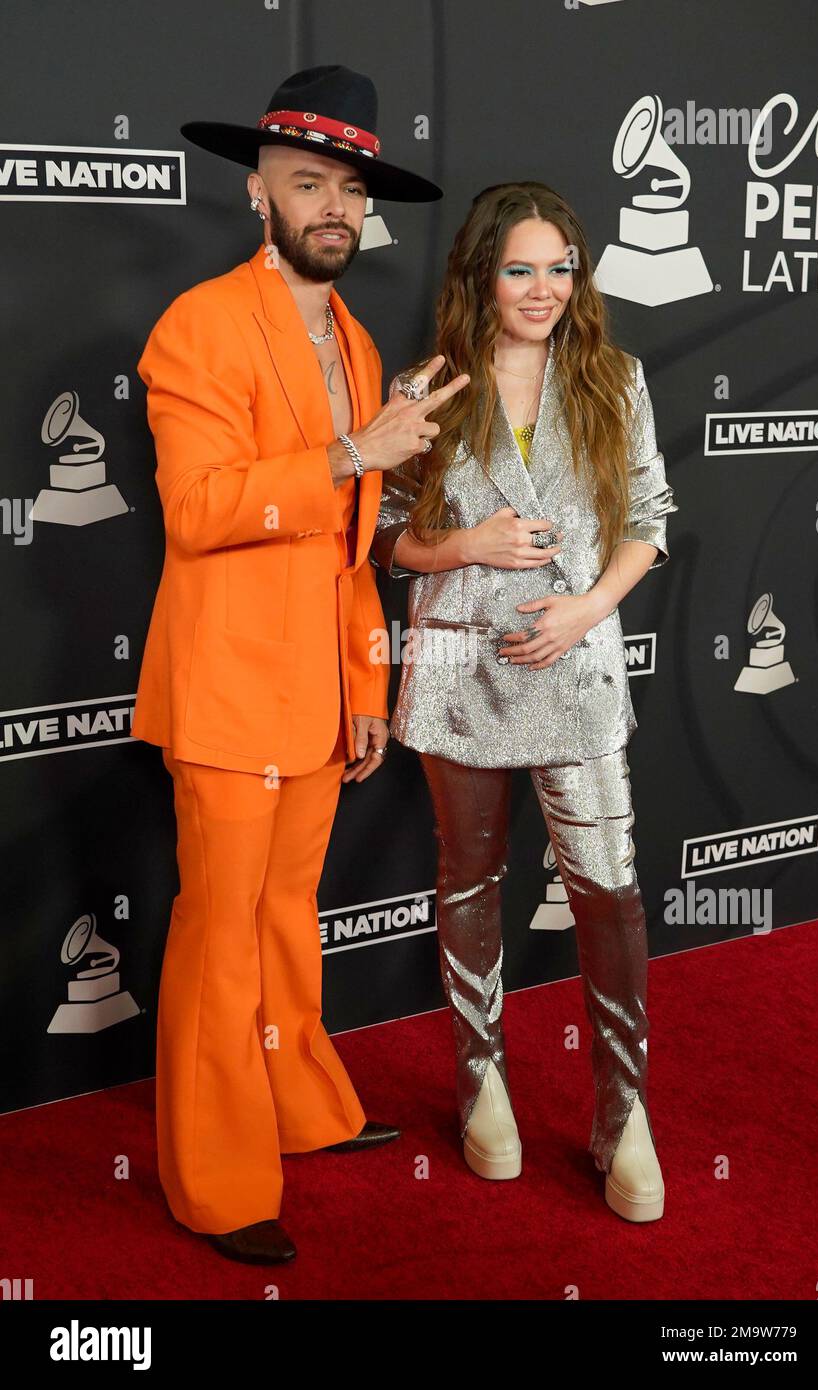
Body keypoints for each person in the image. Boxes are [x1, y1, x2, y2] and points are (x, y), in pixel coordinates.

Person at [132, 64, 469, 1264]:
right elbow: (198, 508)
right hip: (227, 690)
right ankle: (217, 1182)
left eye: (348, 189)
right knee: (221, 933)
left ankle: (300, 1107)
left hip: (320, 696)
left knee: (284, 919)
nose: (333, 206)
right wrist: (344, 448)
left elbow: (349, 552)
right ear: (257, 193)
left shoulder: (364, 341)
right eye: (307, 182)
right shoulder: (200, 324)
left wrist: (364, 689)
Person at [369, 182, 678, 1223]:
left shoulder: (613, 378)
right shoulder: (427, 386)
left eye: (560, 268)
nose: (542, 289)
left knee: (609, 889)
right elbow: (391, 539)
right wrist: (469, 545)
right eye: (519, 268)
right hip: (459, 671)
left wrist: (586, 608)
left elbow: (648, 517)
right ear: (479, 275)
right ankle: (480, 1083)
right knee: (468, 880)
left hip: (576, 665)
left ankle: (621, 1112)